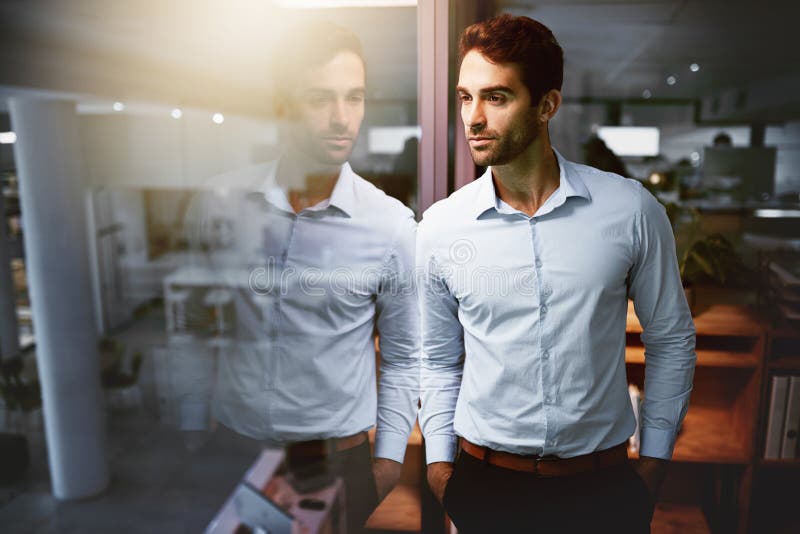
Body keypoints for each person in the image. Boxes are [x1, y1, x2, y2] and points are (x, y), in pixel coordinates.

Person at [417, 14, 696, 533]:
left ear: (546, 105)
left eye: (496, 97)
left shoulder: (631, 211)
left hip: (601, 490)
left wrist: (655, 462)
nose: (473, 118)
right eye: (465, 97)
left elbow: (671, 339)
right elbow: (436, 359)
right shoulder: (439, 227)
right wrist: (439, 468)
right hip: (484, 486)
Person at [178, 20, 419, 533]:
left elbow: (403, 357)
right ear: (283, 104)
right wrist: (192, 423)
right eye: (320, 98)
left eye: (354, 97)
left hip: (334, 457)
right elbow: (195, 319)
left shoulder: (391, 226)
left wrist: (387, 464)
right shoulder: (219, 202)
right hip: (234, 446)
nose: (341, 119)